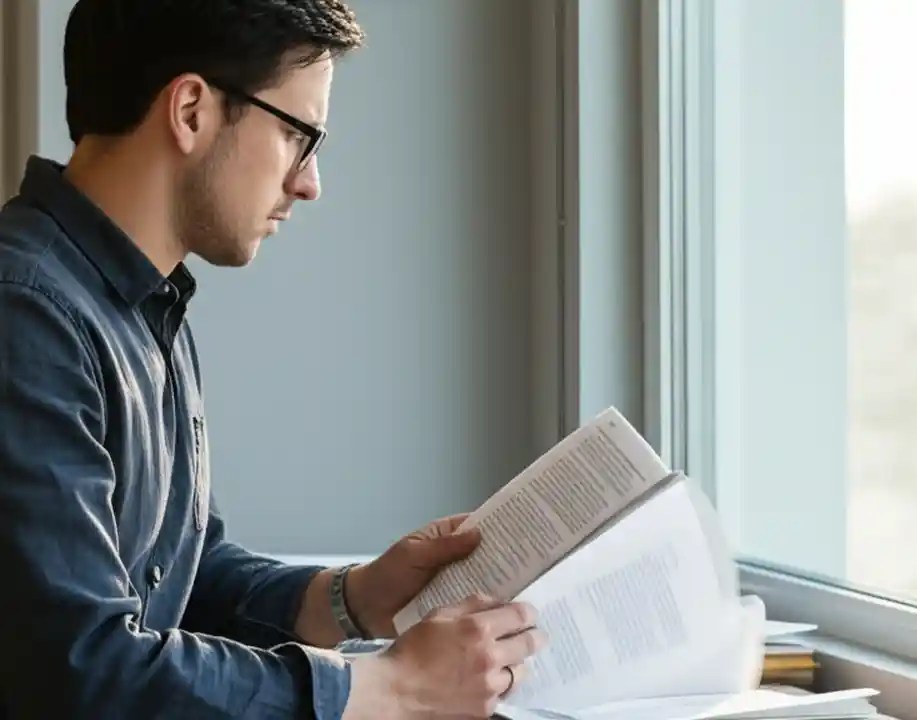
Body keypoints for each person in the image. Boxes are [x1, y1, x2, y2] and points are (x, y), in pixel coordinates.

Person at [0, 1, 546, 718]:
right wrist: (392, 687)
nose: (308, 182)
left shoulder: (139, 307)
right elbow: (82, 665)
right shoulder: (28, 315)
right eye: (298, 135)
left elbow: (180, 580)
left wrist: (353, 598)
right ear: (191, 110)